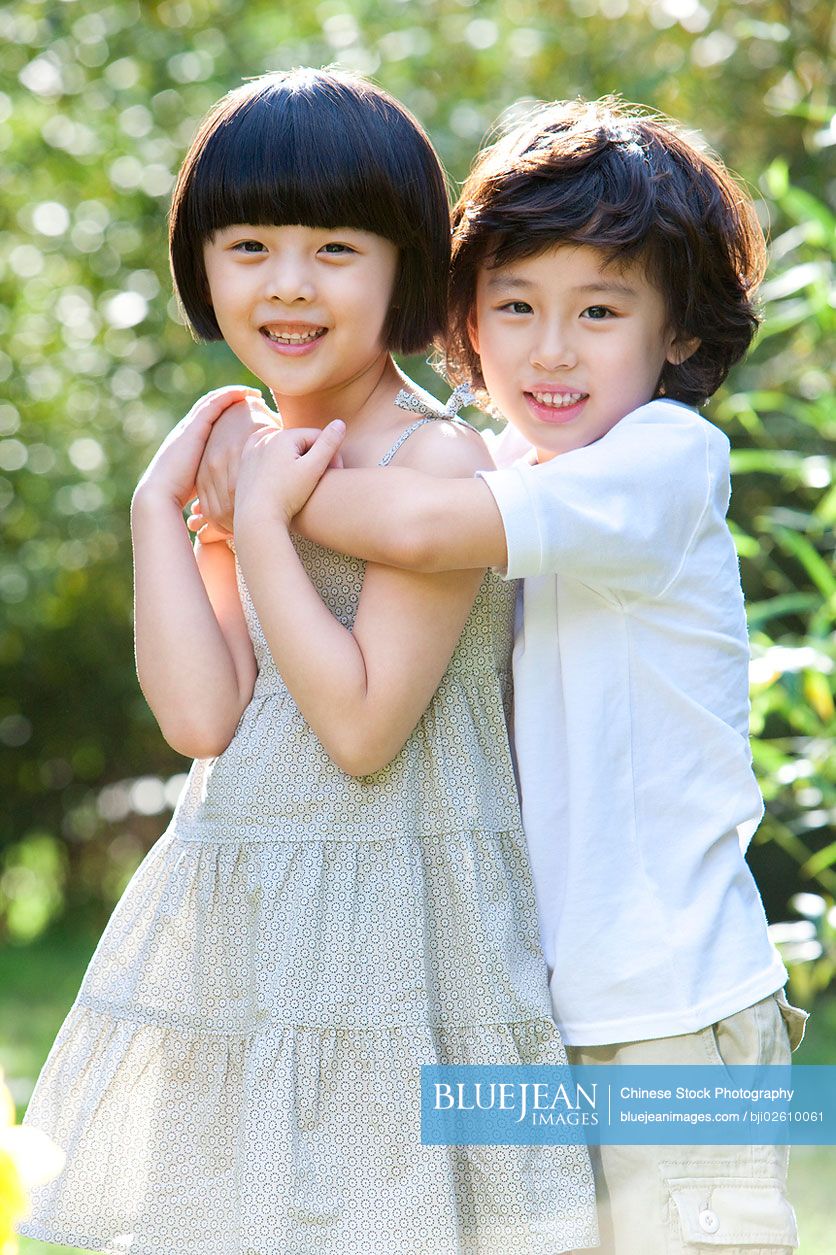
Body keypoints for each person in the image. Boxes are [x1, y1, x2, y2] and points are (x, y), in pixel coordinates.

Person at [190, 97, 809, 1254]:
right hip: (528, 1002)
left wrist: (263, 481)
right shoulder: (521, 466)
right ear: (464, 317)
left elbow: (420, 526)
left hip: (667, 1007)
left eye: (598, 311)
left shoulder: (661, 461)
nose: (549, 349)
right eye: (514, 306)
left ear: (679, 333)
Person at [17, 71, 599, 1254]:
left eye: (335, 247)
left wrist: (262, 522)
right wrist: (159, 509)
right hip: (252, 912)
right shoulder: (253, 448)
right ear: (201, 267)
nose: (287, 282)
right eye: (247, 246)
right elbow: (202, 716)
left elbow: (362, 726)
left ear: (405, 270)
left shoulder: (432, 467)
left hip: (397, 930)